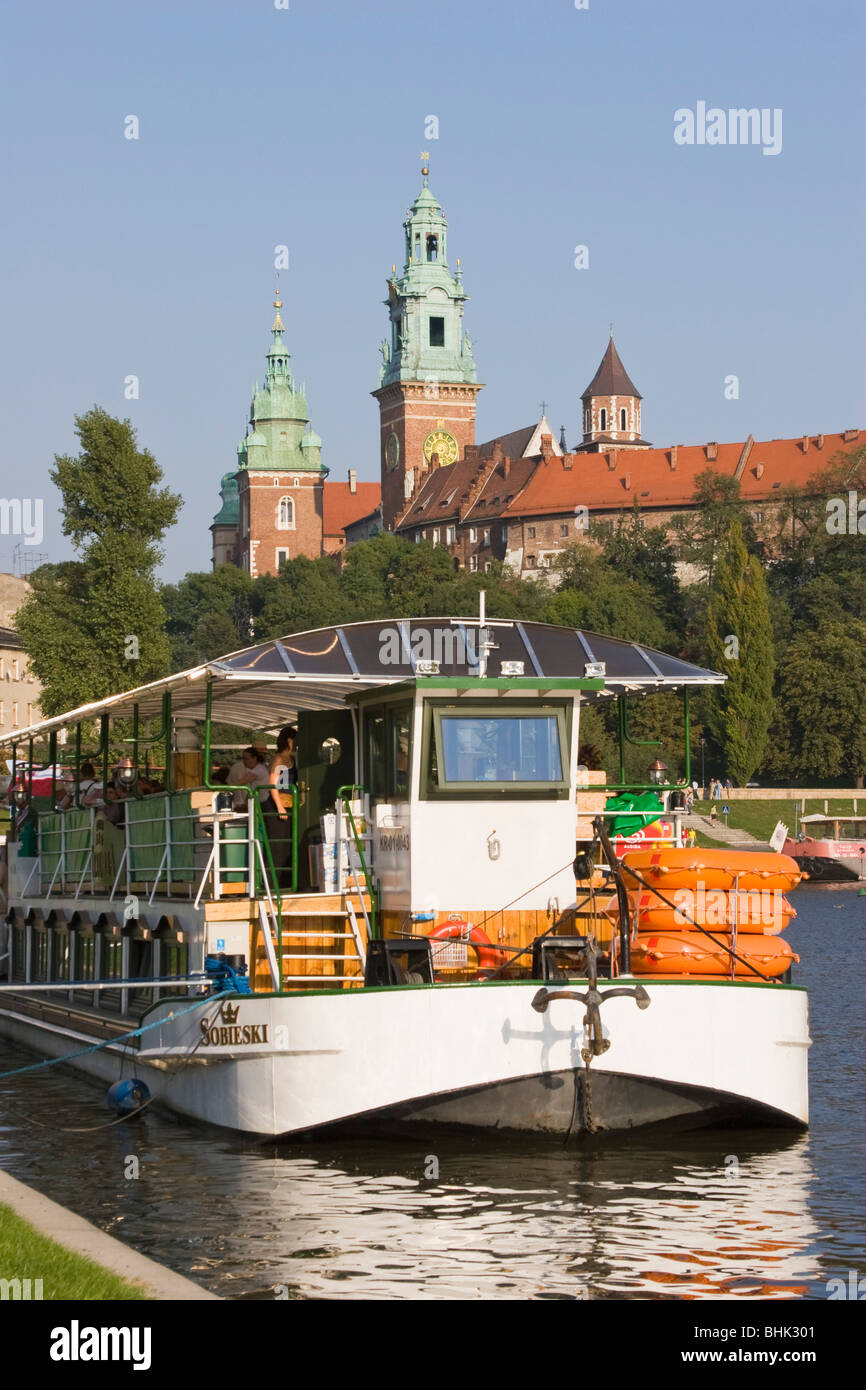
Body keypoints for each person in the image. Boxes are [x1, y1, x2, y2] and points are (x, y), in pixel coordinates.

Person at [267, 727, 298, 892]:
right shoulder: (279, 759)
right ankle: (272, 886)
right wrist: (279, 807)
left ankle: (286, 884)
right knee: (277, 848)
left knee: (287, 847)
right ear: (289, 740)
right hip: (278, 806)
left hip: (290, 804)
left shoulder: (291, 759)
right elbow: (273, 783)